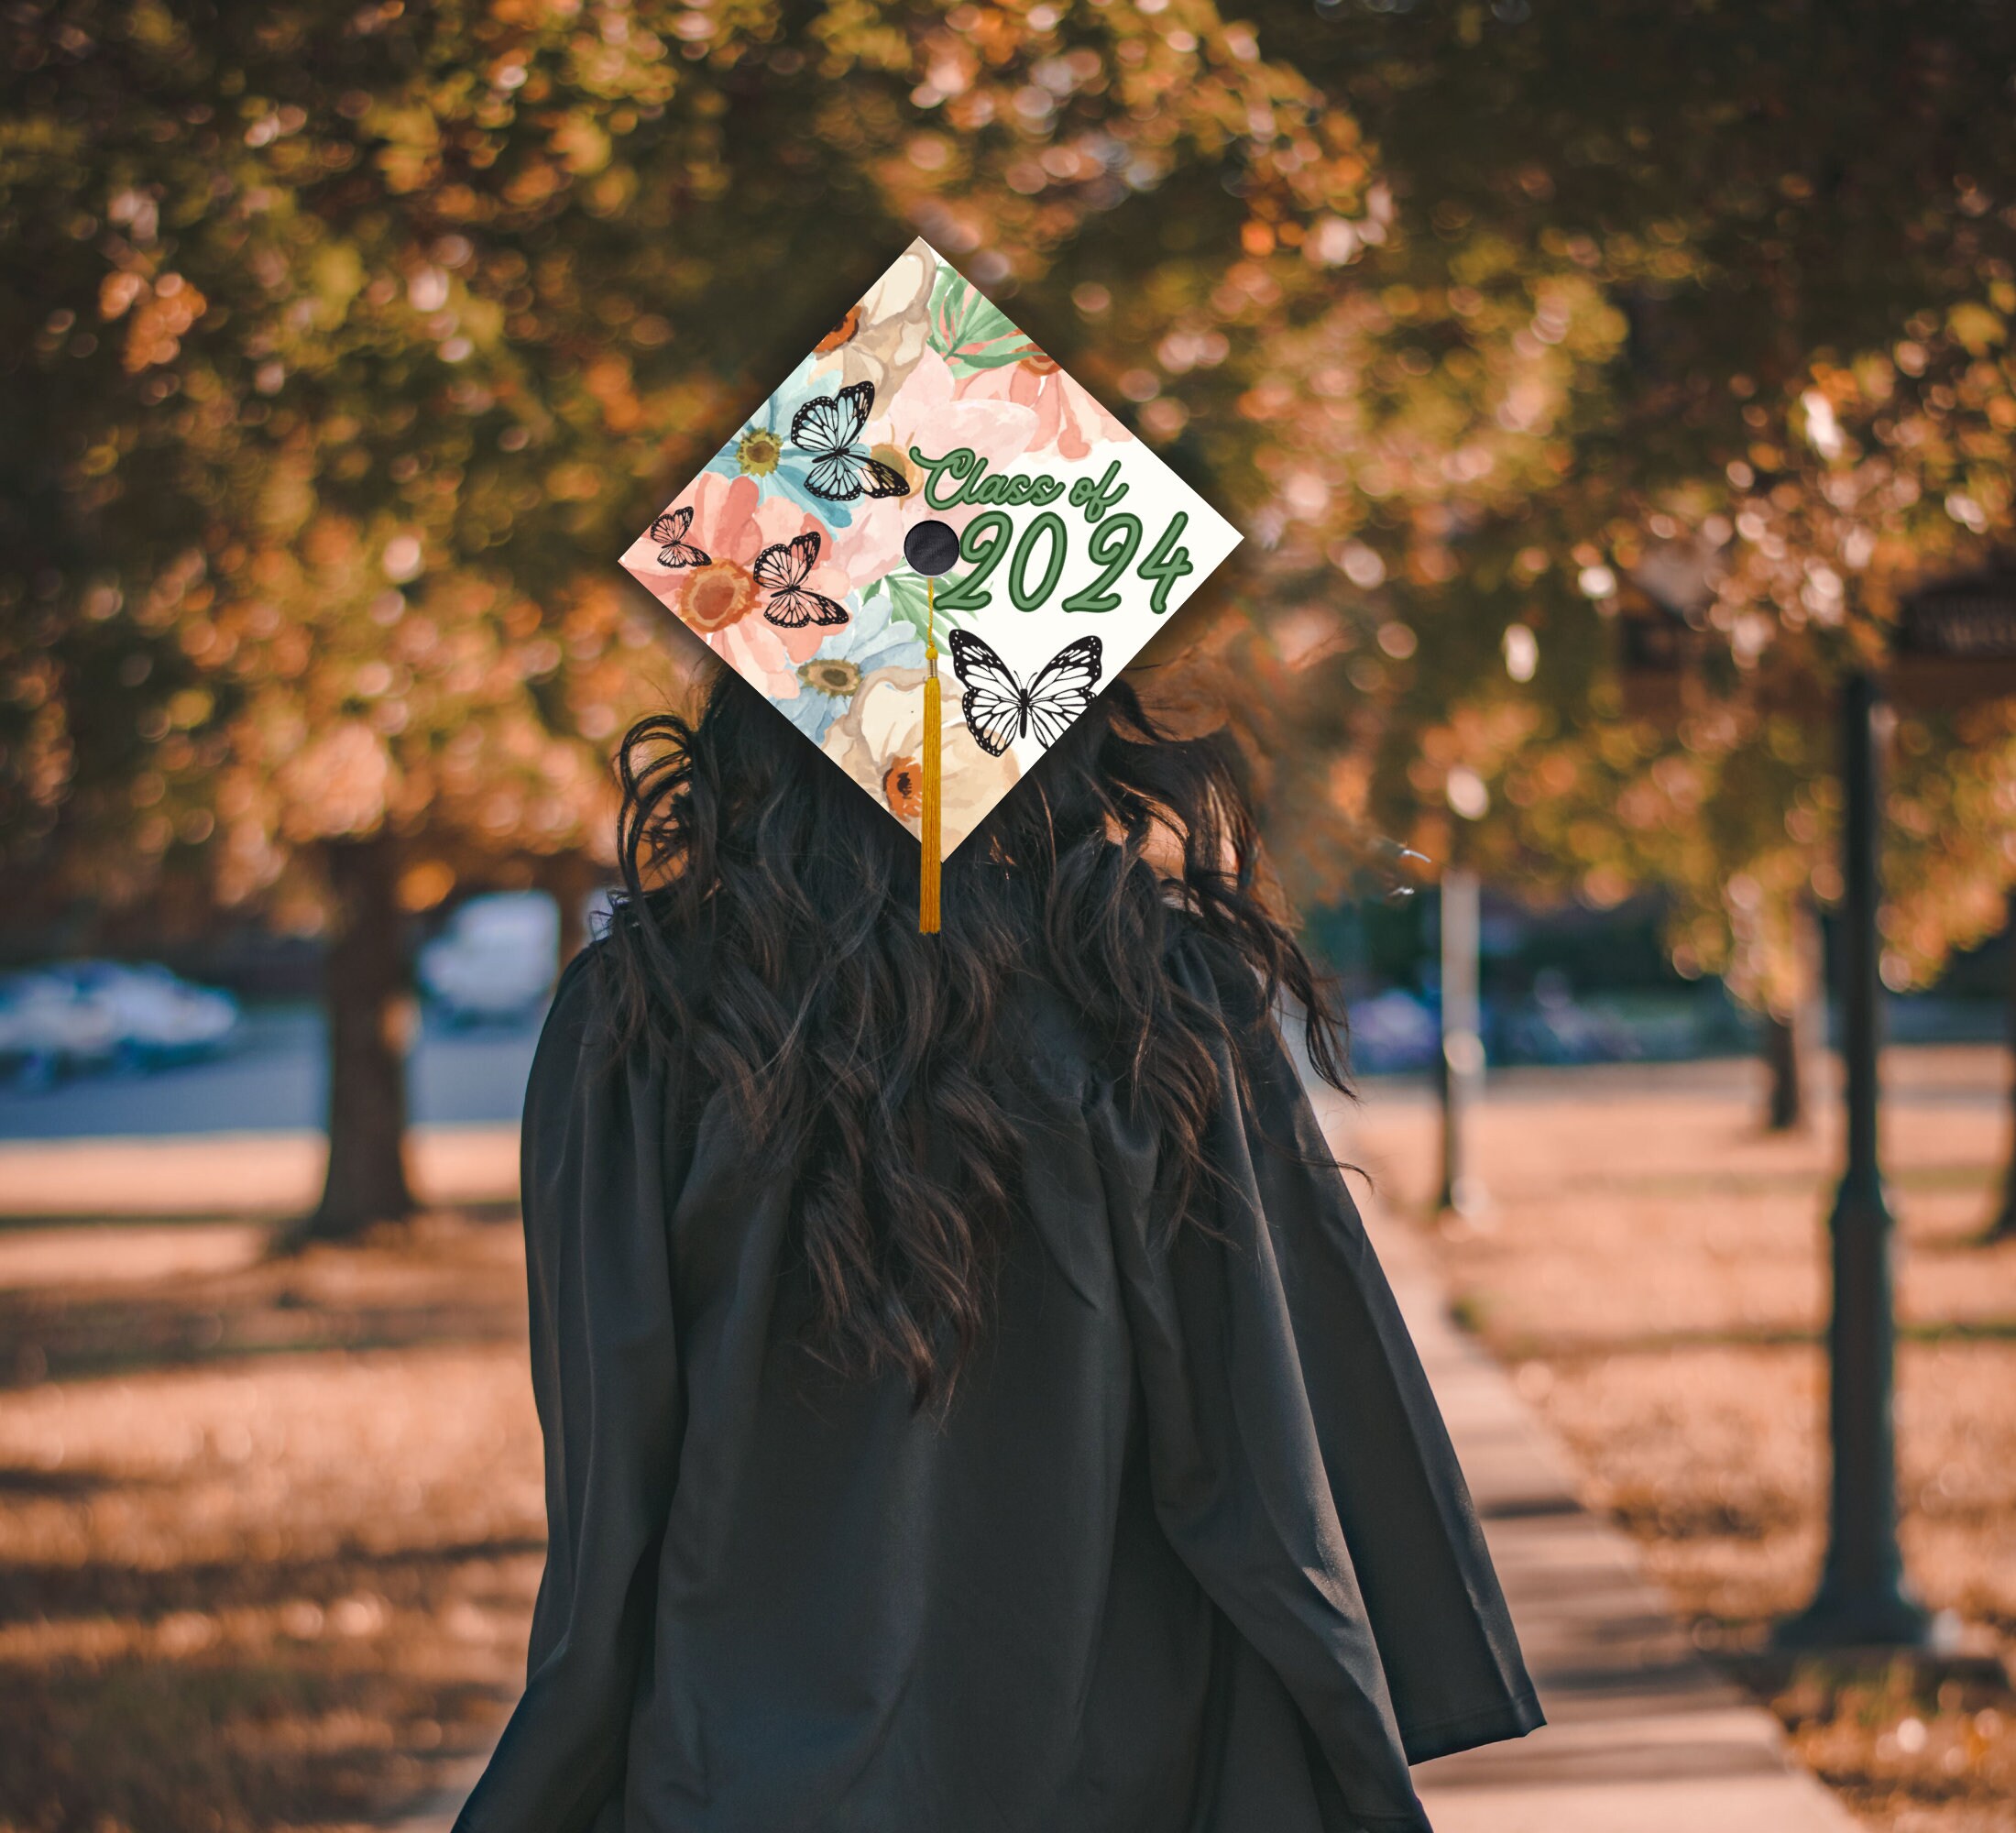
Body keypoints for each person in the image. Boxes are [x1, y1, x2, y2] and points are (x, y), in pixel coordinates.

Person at [453, 663, 1541, 1833]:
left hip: (744, 1759)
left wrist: (567, 1755)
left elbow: (610, 1463)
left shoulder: (643, 1018)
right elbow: (1264, 1433)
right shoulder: (1158, 1003)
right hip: (1116, 1753)